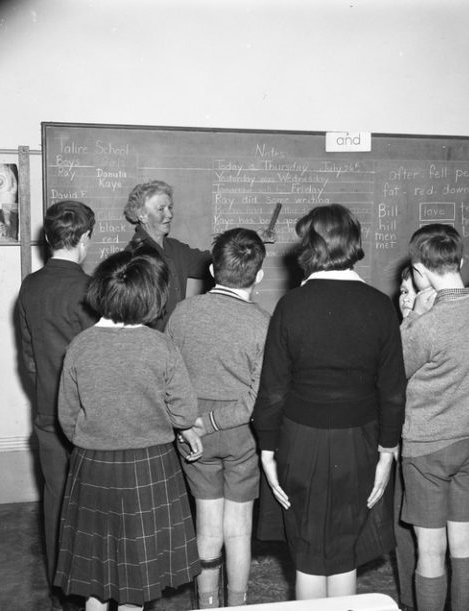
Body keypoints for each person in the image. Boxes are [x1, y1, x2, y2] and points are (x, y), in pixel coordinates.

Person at [252, 204, 406, 600]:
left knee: (306, 551)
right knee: (344, 550)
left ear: (312, 248)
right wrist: (387, 451)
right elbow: (392, 389)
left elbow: (272, 389)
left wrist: (267, 450)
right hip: (360, 441)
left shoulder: (291, 306)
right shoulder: (378, 305)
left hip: (298, 439)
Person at [54, 248, 203, 611]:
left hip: (92, 466)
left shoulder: (80, 345)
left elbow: (67, 415)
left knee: (95, 576)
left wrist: (94, 439)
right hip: (149, 468)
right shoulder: (160, 346)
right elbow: (184, 414)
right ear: (153, 298)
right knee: (136, 580)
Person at [398, 223, 469, 611]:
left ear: (418, 270)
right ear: (461, 262)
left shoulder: (424, 326)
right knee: (464, 545)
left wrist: (411, 318)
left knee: (430, 551)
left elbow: (394, 377)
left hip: (426, 449)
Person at [165, 228, 270, 608]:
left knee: (207, 525)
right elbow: (256, 399)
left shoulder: (182, 313)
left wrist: (190, 423)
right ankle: (237, 605)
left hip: (193, 433)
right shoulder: (263, 323)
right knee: (239, 529)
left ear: (212, 269)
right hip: (241, 433)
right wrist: (213, 421)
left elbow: (169, 380)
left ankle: (207, 604)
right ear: (259, 275)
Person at [16, 199, 97, 611]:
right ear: (84, 238)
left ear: (48, 239)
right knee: (94, 508)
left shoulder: (30, 286)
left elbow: (29, 357)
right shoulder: (88, 290)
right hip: (87, 420)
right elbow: (99, 361)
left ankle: (63, 592)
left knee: (55, 500)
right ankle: (94, 589)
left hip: (47, 412)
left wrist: (47, 392)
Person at [124, 179, 211, 330]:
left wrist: (252, 240)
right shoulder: (135, 255)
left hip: (176, 337)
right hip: (151, 342)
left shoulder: (176, 248)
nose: (169, 214)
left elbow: (217, 261)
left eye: (169, 207)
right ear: (142, 215)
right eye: (161, 209)